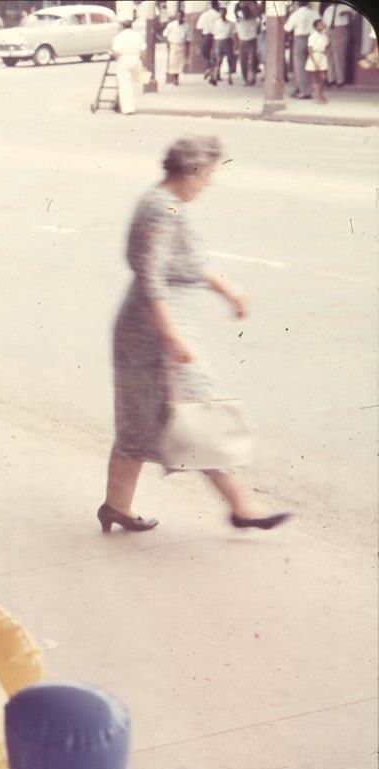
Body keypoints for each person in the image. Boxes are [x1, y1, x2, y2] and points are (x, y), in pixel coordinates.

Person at [102, 135, 291, 535]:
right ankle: (243, 506)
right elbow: (152, 278)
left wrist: (229, 291)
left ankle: (116, 507)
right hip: (154, 334)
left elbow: (189, 263)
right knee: (201, 409)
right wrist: (171, 336)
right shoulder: (162, 209)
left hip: (154, 329)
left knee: (142, 419)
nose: (208, 184)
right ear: (191, 172)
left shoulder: (164, 202)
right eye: (207, 176)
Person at [284, 0, 321, 99]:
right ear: (308, 3)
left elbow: (287, 28)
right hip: (313, 39)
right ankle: (303, 88)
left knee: (299, 66)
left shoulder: (295, 14)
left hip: (300, 39)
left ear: (297, 4)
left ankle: (304, 91)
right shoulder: (315, 13)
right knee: (311, 65)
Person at [111, 18, 147, 114]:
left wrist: (110, 53)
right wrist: (144, 64)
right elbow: (143, 52)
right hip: (136, 59)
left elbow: (116, 53)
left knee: (124, 84)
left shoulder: (119, 37)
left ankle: (127, 108)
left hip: (124, 60)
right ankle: (134, 106)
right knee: (136, 84)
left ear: (122, 26)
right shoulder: (138, 36)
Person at [321, 1, 355, 87]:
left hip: (340, 30)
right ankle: (330, 79)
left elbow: (354, 15)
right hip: (328, 31)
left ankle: (340, 80)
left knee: (339, 55)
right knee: (329, 55)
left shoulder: (346, 7)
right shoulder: (328, 9)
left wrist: (348, 13)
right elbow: (324, 22)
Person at [209, 7, 236, 84]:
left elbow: (234, 34)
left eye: (224, 12)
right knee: (218, 60)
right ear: (219, 13)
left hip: (227, 41)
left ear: (226, 13)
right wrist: (213, 46)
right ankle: (215, 76)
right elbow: (213, 35)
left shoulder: (230, 23)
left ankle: (230, 78)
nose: (222, 14)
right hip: (218, 42)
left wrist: (235, 45)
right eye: (221, 12)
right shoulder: (216, 23)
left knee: (229, 60)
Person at [234, 4, 260, 85]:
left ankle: (251, 79)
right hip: (243, 42)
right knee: (243, 62)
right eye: (243, 12)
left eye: (246, 12)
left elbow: (258, 30)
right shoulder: (238, 21)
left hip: (252, 41)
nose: (245, 14)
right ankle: (246, 79)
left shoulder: (253, 20)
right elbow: (235, 33)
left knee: (252, 62)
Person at [307, 17, 330, 103]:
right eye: (320, 24)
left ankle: (321, 94)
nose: (322, 25)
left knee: (323, 78)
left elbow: (326, 46)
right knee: (316, 79)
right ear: (316, 26)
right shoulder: (313, 36)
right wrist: (315, 62)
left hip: (322, 56)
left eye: (322, 24)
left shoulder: (324, 36)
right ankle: (318, 97)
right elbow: (310, 49)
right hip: (315, 56)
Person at [197, 1, 221, 80]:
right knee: (216, 55)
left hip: (206, 36)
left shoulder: (204, 15)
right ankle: (215, 73)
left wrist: (201, 39)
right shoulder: (219, 15)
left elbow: (199, 28)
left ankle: (208, 67)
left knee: (205, 53)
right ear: (217, 5)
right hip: (217, 36)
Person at [163, 10, 189, 85]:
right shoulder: (171, 25)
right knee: (173, 62)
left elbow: (188, 39)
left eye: (181, 16)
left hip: (182, 45)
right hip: (173, 45)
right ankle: (174, 79)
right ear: (176, 17)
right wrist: (167, 45)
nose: (179, 17)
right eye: (178, 16)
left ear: (183, 17)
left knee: (180, 63)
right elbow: (165, 35)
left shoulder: (186, 26)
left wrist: (187, 49)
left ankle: (177, 78)